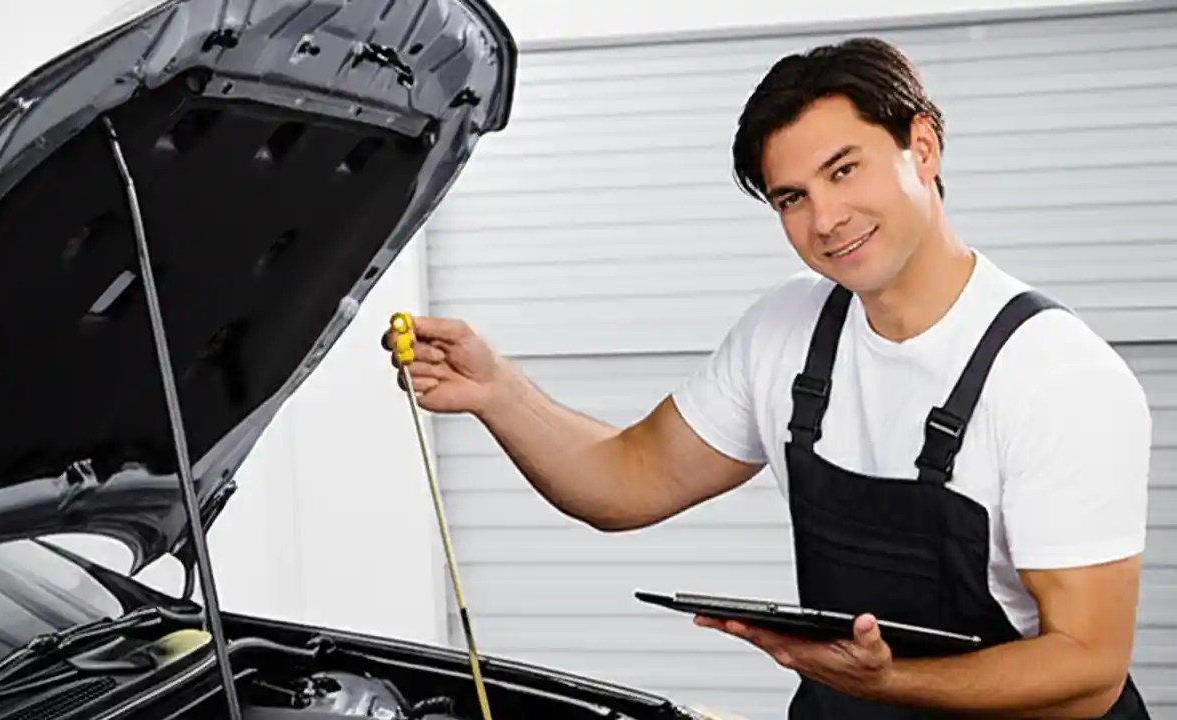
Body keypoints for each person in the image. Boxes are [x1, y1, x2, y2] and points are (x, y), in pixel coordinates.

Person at [383, 37, 1152, 719]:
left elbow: (1087, 669)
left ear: (923, 148)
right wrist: (498, 394)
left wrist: (886, 685)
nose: (826, 220)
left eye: (844, 170)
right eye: (793, 198)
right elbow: (625, 482)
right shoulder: (787, 332)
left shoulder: (1055, 375)